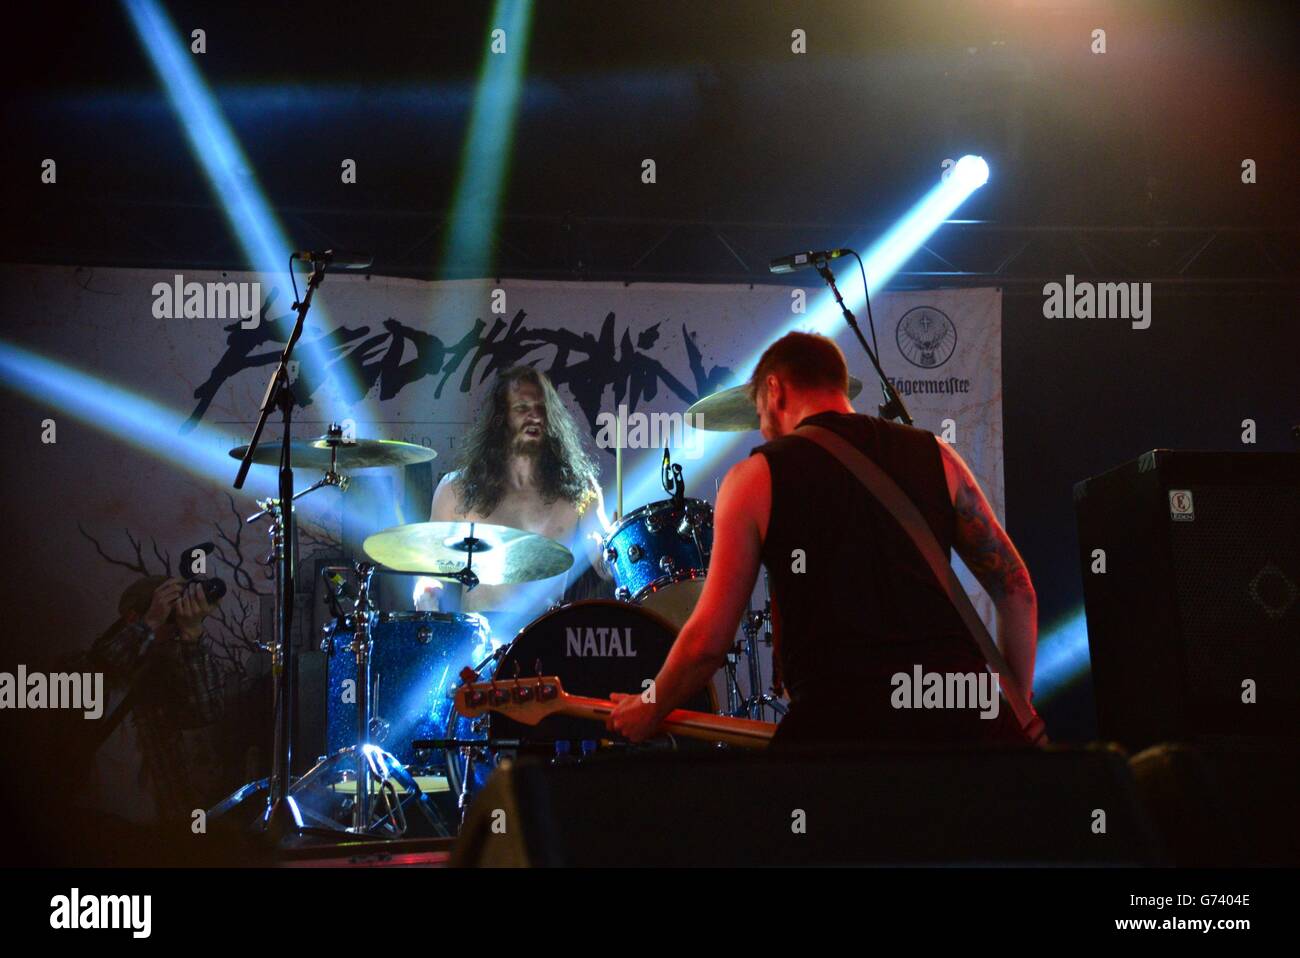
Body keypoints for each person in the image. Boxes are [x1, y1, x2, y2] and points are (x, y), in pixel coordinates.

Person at [608, 332, 1037, 747]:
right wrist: (1013, 706)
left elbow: (708, 643)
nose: (763, 432)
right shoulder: (937, 455)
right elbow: (1017, 593)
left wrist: (648, 706)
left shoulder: (754, 477)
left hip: (841, 731)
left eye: (760, 415)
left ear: (775, 390)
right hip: (962, 722)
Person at [412, 366, 612, 627]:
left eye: (541, 408)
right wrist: (426, 592)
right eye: (522, 408)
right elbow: (428, 568)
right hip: (479, 646)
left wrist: (620, 548)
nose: (534, 416)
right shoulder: (457, 488)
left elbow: (605, 560)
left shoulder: (578, 488)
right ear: (500, 419)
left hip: (547, 637)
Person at [89, 576, 226, 823]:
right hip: (99, 818)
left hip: (164, 817)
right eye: (170, 618)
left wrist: (192, 633)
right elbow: (104, 668)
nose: (173, 629)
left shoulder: (176, 662)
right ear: (133, 619)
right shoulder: (99, 659)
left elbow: (205, 712)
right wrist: (150, 622)